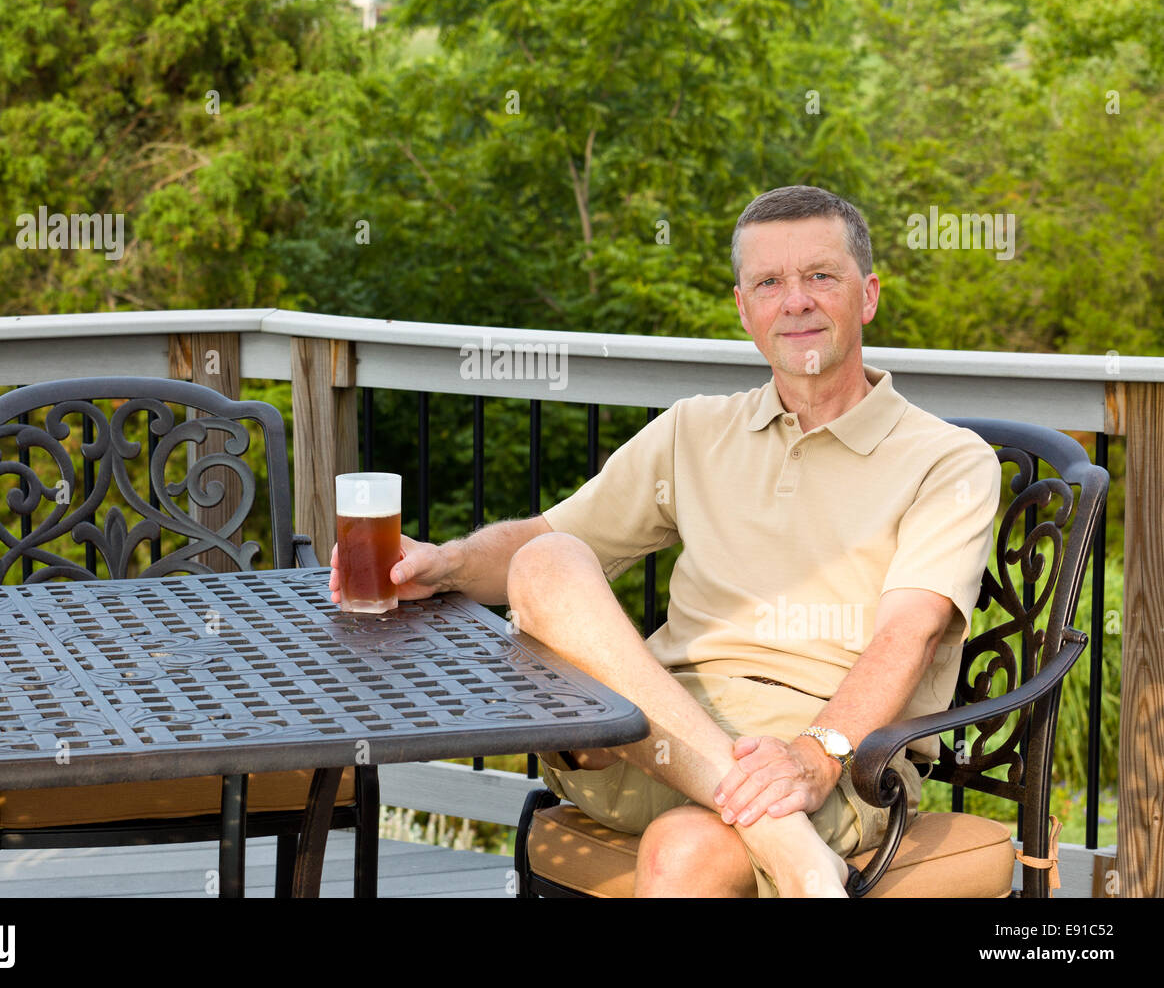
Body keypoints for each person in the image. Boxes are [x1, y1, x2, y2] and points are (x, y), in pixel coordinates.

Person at [330, 185, 1002, 897]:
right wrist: (446, 563)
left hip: (834, 755)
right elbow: (543, 547)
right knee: (546, 559)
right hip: (653, 740)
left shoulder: (946, 459)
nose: (795, 300)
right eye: (769, 282)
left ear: (867, 295)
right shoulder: (696, 430)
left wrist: (815, 755)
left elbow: (909, 635)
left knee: (684, 852)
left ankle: (786, 834)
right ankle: (796, 857)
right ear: (745, 309)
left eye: (820, 276)